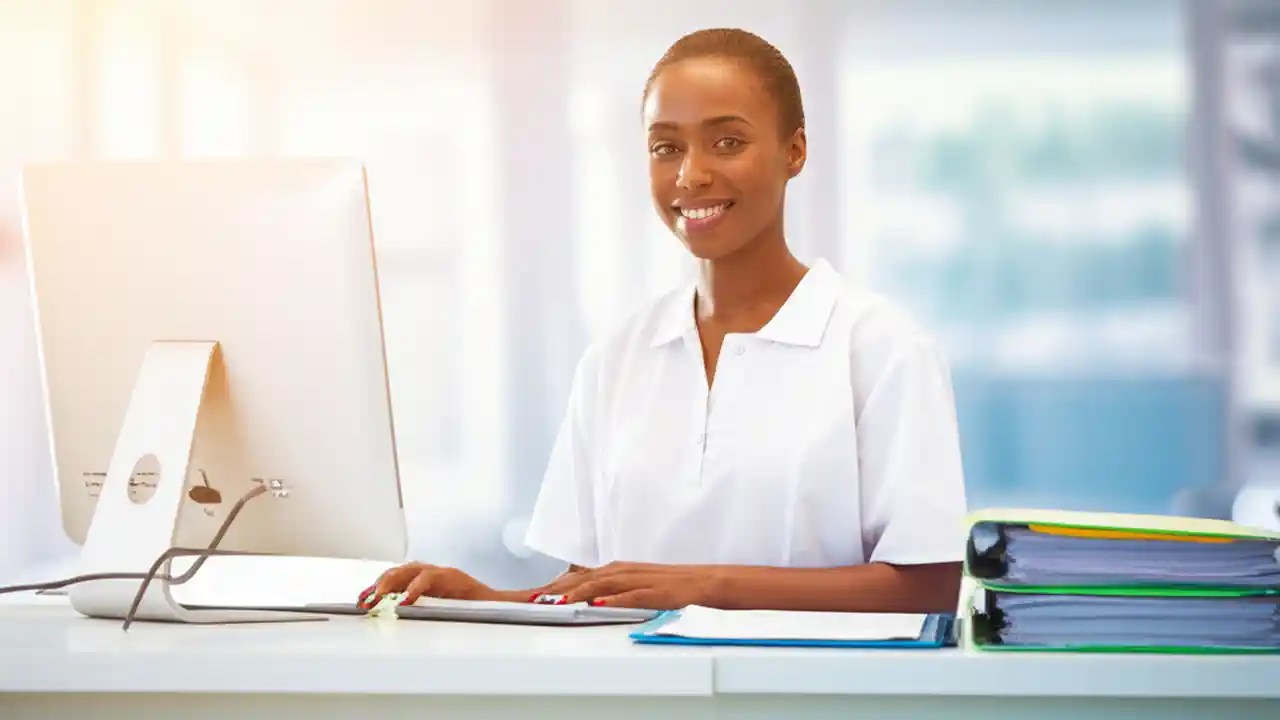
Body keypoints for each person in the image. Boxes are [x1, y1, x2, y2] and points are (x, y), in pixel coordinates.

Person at [360, 28, 967, 613]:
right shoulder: (617, 358)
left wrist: (706, 586)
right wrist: (485, 598)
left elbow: (927, 587)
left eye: (727, 141)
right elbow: (598, 590)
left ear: (795, 150)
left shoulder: (881, 348)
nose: (690, 173)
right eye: (666, 146)